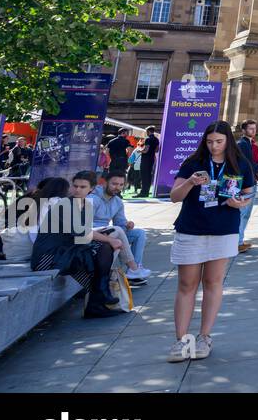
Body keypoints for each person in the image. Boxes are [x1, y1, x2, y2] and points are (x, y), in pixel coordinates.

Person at [167, 121, 255, 361]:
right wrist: (190, 182)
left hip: (223, 230)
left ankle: (204, 337)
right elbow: (175, 197)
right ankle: (181, 341)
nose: (214, 146)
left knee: (213, 283)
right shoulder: (193, 163)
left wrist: (239, 202)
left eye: (219, 141)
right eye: (209, 141)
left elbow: (248, 192)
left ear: (228, 141)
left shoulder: (239, 164)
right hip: (191, 229)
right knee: (187, 285)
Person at [29, 177, 124, 319]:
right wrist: (110, 239)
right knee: (101, 249)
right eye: (75, 186)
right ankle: (100, 298)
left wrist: (107, 239)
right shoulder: (64, 205)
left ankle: (99, 299)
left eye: (83, 187)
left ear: (91, 189)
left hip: (63, 251)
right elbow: (81, 232)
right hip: (47, 257)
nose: (77, 190)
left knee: (102, 249)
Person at [84, 170, 151, 283]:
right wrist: (118, 228)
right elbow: (84, 226)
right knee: (117, 230)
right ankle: (134, 269)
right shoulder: (92, 199)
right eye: (114, 184)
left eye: (121, 185)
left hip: (110, 231)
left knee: (139, 233)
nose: (117, 187)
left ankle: (134, 269)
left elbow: (120, 224)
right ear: (105, 183)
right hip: (92, 232)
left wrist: (127, 224)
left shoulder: (118, 201)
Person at [235, 120, 258, 252]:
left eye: (254, 129)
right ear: (243, 130)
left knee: (245, 214)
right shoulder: (242, 144)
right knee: (242, 213)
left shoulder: (250, 144)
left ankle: (239, 240)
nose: (253, 131)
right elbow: (244, 165)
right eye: (250, 129)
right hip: (245, 184)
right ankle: (237, 243)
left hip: (250, 182)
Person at [136, 126, 160, 197]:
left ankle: (143, 192)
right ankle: (146, 191)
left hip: (145, 159)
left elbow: (146, 150)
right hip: (151, 159)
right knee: (149, 176)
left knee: (144, 176)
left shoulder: (148, 139)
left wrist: (139, 150)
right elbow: (157, 150)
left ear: (148, 131)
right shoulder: (156, 139)